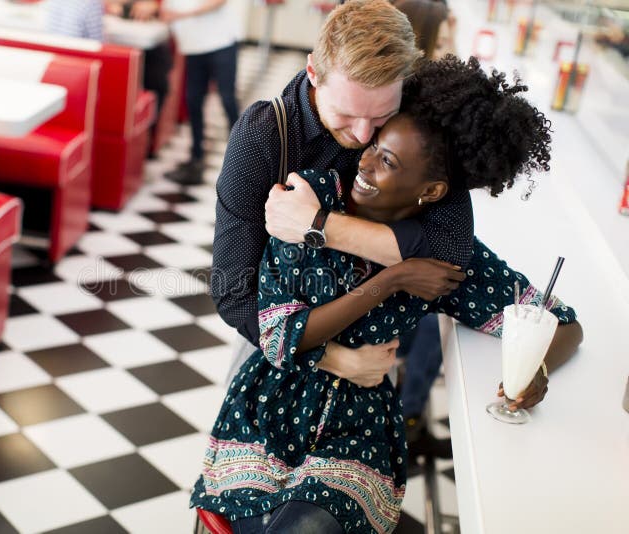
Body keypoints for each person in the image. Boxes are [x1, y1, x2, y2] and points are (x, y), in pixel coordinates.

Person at [191, 56, 583, 533]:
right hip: (267, 410)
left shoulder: (443, 257)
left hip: (356, 431)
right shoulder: (310, 200)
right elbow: (280, 334)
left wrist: (536, 370)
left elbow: (558, 321)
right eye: (374, 145)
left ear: (433, 191)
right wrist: (393, 280)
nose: (364, 161)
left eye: (388, 160)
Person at [211, 0, 470, 399]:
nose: (365, 135)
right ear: (314, 71)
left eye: (382, 116)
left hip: (373, 358)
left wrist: (318, 227)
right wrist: (335, 359)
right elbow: (233, 291)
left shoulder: (416, 119)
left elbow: (450, 251)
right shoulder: (264, 137)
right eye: (347, 114)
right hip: (276, 350)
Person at [391, 0, 460, 460]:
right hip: (403, 233)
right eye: (447, 37)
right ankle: (407, 417)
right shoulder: (420, 104)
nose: (453, 46)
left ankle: (407, 411)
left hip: (406, 228)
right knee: (437, 316)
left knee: (431, 318)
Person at [160, 0, 240, 185]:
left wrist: (180, 15)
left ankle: (243, 161)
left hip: (221, 43)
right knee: (193, 102)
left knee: (227, 99)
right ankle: (196, 160)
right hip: (193, 47)